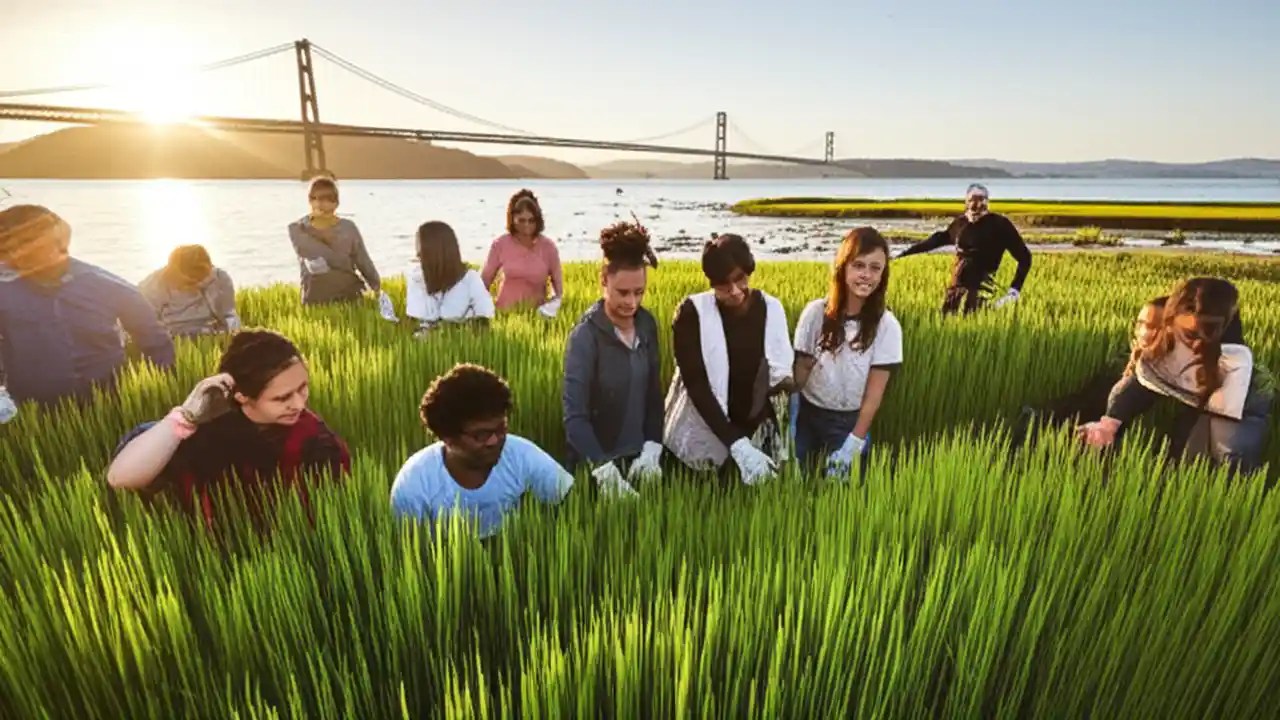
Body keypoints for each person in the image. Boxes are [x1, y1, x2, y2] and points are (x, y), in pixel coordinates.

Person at [107, 330, 351, 530]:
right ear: (242, 396)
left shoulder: (315, 439)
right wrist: (185, 416)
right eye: (282, 398)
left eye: (302, 388)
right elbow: (121, 478)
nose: (299, 404)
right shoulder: (202, 433)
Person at [1078, 278, 1273, 476]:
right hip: (1200, 394)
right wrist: (1109, 423)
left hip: (1239, 405)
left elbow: (1226, 423)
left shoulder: (1234, 363)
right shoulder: (1165, 345)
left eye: (1196, 334)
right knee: (1182, 458)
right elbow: (1138, 385)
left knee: (1222, 460)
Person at [0, 204, 175, 407]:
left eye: (28, 245)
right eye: (8, 249)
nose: (17, 255)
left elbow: (154, 340)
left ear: (57, 241)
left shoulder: (107, 286)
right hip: (29, 413)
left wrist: (158, 398)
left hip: (106, 408)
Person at [663, 233, 794, 485]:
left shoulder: (771, 308)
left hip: (753, 429)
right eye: (723, 285)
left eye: (739, 279)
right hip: (702, 429)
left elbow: (778, 378)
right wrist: (736, 444)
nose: (734, 291)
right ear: (711, 282)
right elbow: (696, 386)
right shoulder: (691, 314)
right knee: (697, 495)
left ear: (749, 271)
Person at [390, 363, 575, 539]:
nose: (494, 441)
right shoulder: (414, 487)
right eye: (481, 435)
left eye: (501, 428)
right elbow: (413, 552)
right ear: (448, 438)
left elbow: (573, 500)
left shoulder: (522, 455)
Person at [562, 220, 665, 496]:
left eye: (639, 292)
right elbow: (575, 419)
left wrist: (653, 447)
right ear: (604, 280)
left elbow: (654, 394)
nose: (632, 302)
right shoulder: (586, 337)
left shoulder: (646, 325)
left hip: (639, 462)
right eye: (623, 293)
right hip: (597, 467)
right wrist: (604, 471)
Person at [791, 227, 903, 477]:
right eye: (858, 265)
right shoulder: (816, 313)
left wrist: (854, 442)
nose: (866, 275)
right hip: (807, 415)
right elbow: (800, 373)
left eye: (875, 268)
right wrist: (789, 423)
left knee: (843, 492)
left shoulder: (887, 325)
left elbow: (874, 395)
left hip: (849, 422)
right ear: (842, 268)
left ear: (883, 274)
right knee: (794, 484)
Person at [893, 183, 1032, 315]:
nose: (977, 205)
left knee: (975, 324)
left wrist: (1014, 290)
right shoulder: (960, 224)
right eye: (973, 200)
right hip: (955, 291)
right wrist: (902, 254)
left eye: (981, 200)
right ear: (966, 203)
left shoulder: (1000, 225)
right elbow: (934, 241)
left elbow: (1025, 257)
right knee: (946, 324)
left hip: (982, 290)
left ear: (987, 203)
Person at [287, 177, 395, 319]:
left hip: (349, 294)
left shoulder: (348, 228)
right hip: (315, 298)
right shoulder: (297, 229)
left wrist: (376, 287)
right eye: (316, 198)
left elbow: (363, 260)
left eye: (328, 199)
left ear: (336, 203)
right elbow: (315, 252)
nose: (321, 204)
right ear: (310, 201)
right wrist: (345, 263)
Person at [404, 220, 494, 338]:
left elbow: (484, 319)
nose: (417, 256)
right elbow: (416, 320)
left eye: (422, 254)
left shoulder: (470, 280)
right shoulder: (417, 279)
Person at [480, 189, 564, 316]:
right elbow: (483, 284)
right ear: (513, 219)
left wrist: (549, 310)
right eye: (522, 220)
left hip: (536, 316)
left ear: (538, 220)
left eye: (531, 220)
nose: (527, 225)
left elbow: (558, 292)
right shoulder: (500, 244)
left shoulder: (548, 248)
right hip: (505, 313)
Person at [138, 244, 241, 337]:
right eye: (190, 281)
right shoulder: (153, 286)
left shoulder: (220, 278)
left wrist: (231, 334)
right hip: (172, 334)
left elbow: (228, 315)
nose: (196, 284)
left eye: (201, 278)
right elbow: (145, 323)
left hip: (209, 333)